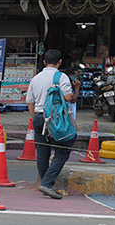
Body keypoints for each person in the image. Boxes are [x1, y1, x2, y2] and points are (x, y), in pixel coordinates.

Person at [26, 49, 77, 200]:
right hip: (55, 119)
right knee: (63, 150)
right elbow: (68, 97)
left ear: (44, 62)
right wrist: (76, 88)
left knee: (42, 153)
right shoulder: (61, 77)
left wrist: (36, 116)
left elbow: (30, 101)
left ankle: (45, 183)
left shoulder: (36, 78)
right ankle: (47, 184)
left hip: (39, 116)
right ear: (60, 62)